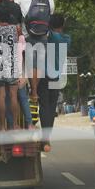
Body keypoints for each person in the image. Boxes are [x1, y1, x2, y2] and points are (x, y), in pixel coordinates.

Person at [13, 0, 55, 103]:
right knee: (38, 65)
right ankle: (34, 92)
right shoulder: (50, 0)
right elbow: (50, 16)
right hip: (42, 35)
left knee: (28, 63)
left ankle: (29, 88)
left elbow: (12, 1)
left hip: (26, 35)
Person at [38, 14, 70, 152]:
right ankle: (47, 138)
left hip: (44, 75)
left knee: (44, 106)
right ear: (62, 26)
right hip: (57, 76)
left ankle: (45, 138)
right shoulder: (67, 39)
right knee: (51, 107)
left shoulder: (49, 36)